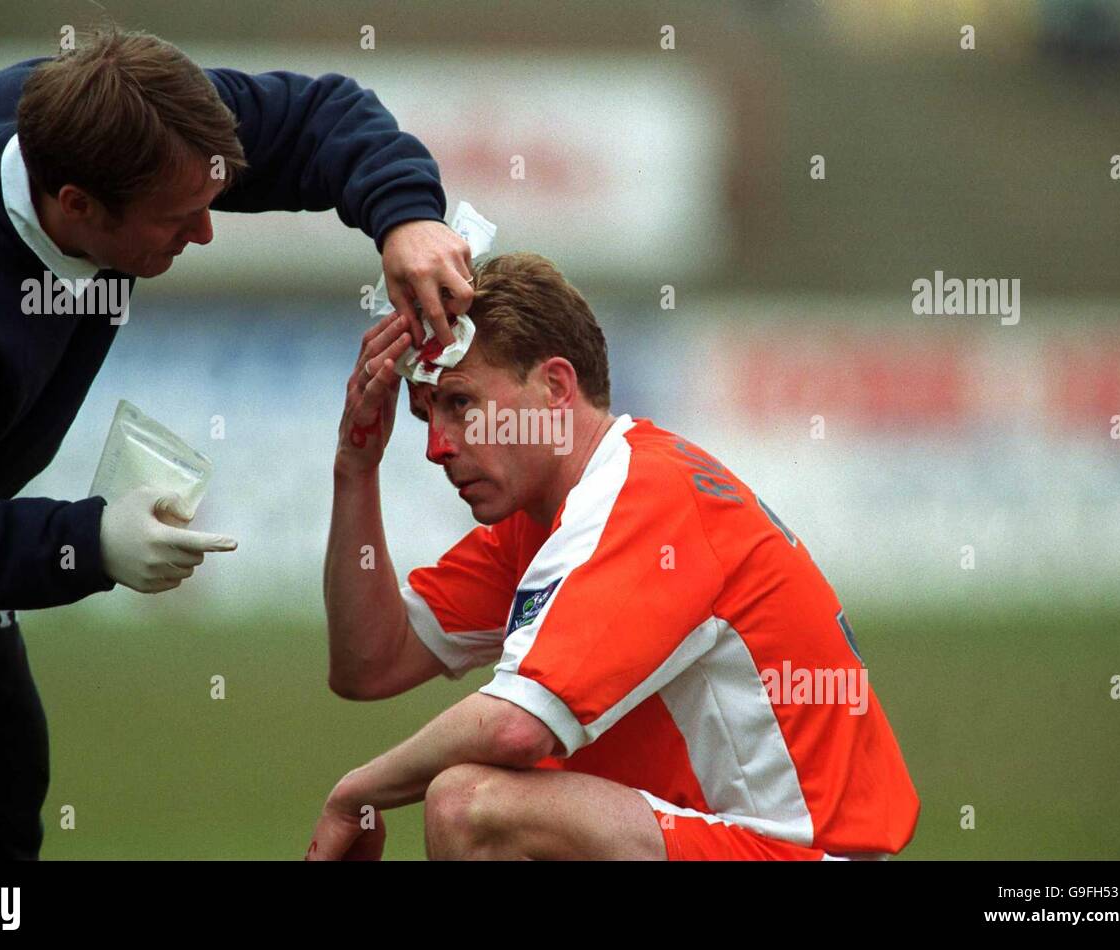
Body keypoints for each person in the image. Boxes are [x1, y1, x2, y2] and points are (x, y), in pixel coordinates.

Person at [0, 26, 472, 859]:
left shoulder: (131, 121)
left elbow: (319, 116)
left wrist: (404, 216)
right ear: (77, 204)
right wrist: (88, 541)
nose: (205, 234)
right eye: (178, 220)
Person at [311, 252, 920, 860]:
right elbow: (370, 662)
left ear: (554, 388)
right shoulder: (546, 518)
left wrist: (354, 794)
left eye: (461, 404)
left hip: (799, 856)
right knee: (491, 796)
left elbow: (516, 728)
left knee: (471, 807)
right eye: (424, 415)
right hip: (724, 843)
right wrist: (355, 466)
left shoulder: (643, 495)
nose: (436, 448)